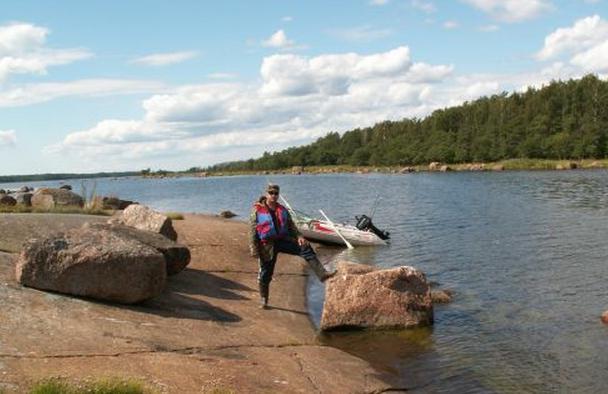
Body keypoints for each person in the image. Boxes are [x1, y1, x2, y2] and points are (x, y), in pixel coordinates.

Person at [249, 184, 334, 309]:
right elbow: (252, 231)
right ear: (266, 194)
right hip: (267, 245)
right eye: (271, 193)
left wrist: (299, 236)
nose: (273, 195)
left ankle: (322, 274)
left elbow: (291, 226)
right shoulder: (257, 210)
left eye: (276, 193)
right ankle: (264, 299)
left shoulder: (282, 210)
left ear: (278, 195)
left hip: (283, 240)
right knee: (266, 274)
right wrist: (254, 249)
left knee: (305, 247)